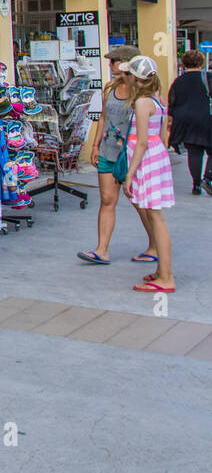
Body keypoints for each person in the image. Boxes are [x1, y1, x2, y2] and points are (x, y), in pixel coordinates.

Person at [79, 45, 155, 265]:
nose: (110, 65)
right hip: (108, 151)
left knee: (139, 202)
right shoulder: (109, 88)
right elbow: (103, 117)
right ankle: (101, 249)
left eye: (112, 61)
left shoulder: (141, 91)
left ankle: (155, 244)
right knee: (107, 200)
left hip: (131, 154)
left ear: (123, 64)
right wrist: (95, 146)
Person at [119, 56, 176, 293]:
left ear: (135, 78)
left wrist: (130, 174)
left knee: (157, 218)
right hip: (156, 158)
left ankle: (167, 277)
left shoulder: (143, 103)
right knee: (155, 217)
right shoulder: (158, 101)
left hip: (147, 161)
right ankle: (163, 272)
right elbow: (162, 137)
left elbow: (141, 142)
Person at [167, 49, 212, 194]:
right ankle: (208, 177)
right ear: (201, 62)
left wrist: (170, 121)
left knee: (194, 152)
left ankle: (196, 185)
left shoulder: (178, 81)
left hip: (186, 121)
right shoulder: (208, 77)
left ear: (183, 64)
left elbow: (172, 102)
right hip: (206, 119)